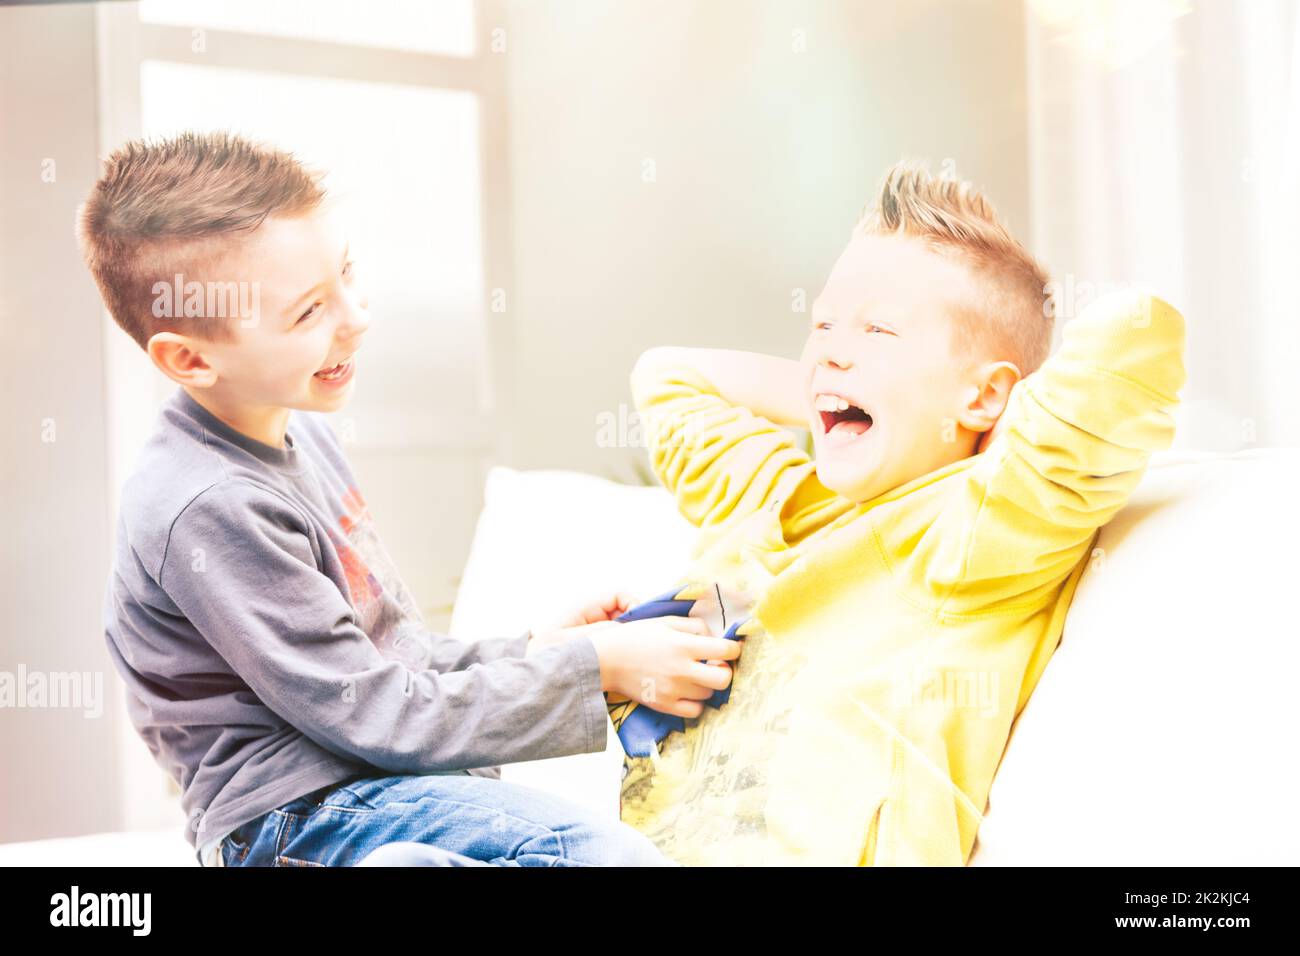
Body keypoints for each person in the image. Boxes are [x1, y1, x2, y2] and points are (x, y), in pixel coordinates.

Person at [80, 131, 735, 866]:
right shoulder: (209, 504)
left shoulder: (300, 436)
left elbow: (390, 663)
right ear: (190, 358)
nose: (357, 318)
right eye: (308, 312)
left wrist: (543, 651)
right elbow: (377, 714)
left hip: (371, 786)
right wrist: (598, 667)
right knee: (603, 855)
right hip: (296, 815)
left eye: (348, 277)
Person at [616, 159, 1187, 865]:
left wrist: (973, 419)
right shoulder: (773, 500)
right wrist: (851, 388)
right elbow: (666, 374)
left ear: (986, 399)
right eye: (822, 323)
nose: (829, 350)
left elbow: (1135, 335)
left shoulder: (972, 535)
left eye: (878, 331)